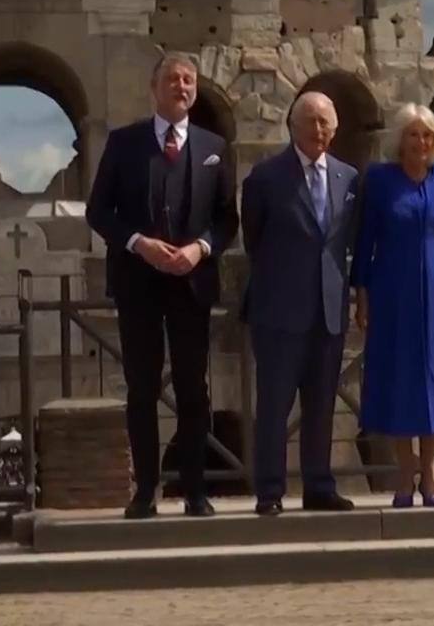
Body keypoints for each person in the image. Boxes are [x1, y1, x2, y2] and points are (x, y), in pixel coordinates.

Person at [86, 52, 240, 519]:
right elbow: (99, 211)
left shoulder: (215, 146)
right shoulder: (124, 143)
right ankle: (146, 489)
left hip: (191, 284)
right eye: (172, 79)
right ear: (154, 89)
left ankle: (195, 491)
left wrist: (200, 250)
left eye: (189, 80)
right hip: (139, 283)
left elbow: (226, 218)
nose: (182, 86)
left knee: (195, 389)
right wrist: (138, 243)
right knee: (141, 389)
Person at [350, 102, 434, 508]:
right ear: (399, 140)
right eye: (412, 134)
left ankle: (432, 476)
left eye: (426, 134)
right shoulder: (381, 180)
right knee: (400, 382)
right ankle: (404, 475)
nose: (420, 141)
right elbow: (365, 242)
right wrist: (362, 294)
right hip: (393, 291)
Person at [240, 91, 359, 516]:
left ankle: (319, 486)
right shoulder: (266, 178)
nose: (319, 130)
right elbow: (253, 238)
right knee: (273, 405)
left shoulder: (348, 178)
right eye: (311, 122)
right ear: (293, 126)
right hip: (278, 310)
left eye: (326, 122)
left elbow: (345, 242)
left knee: (322, 405)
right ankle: (270, 491)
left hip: (328, 311)